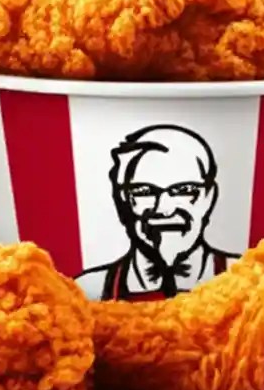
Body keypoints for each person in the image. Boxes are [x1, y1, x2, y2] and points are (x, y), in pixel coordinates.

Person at [78, 124, 237, 301]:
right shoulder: (86, 290)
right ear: (122, 198)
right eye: (144, 191)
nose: (164, 209)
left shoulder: (248, 282)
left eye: (184, 190)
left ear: (209, 196)